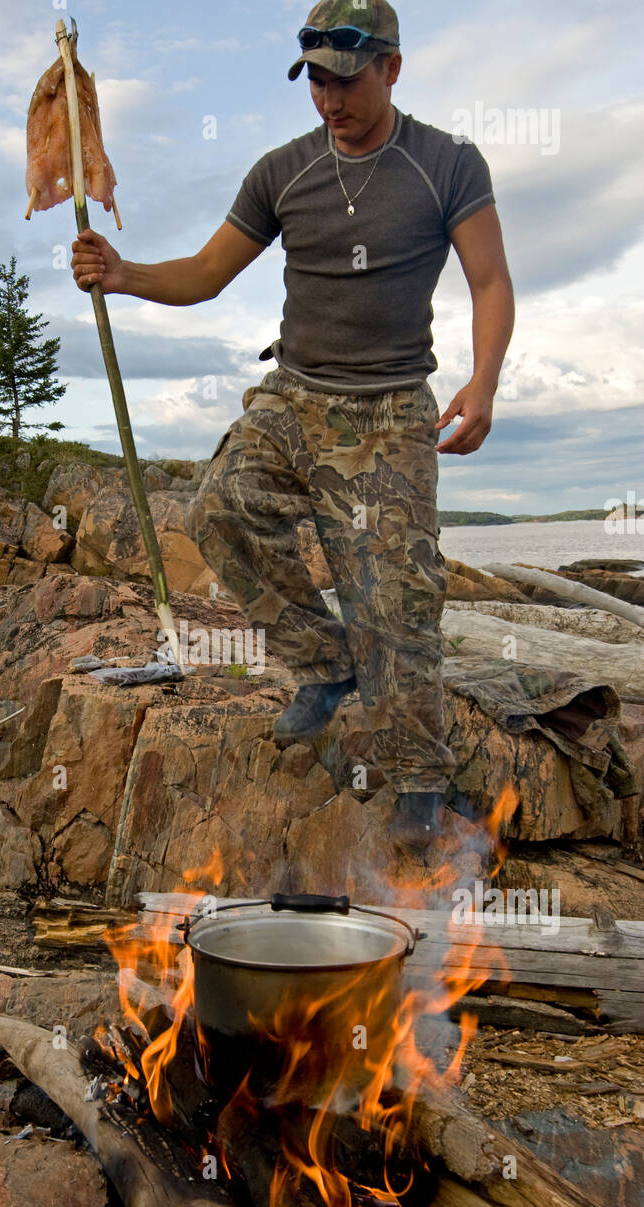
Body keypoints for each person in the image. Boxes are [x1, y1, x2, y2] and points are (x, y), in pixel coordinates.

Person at [71, 0, 515, 851]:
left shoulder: (446, 165)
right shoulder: (282, 171)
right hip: (296, 391)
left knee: (397, 598)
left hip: (391, 409)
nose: (329, 98)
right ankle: (326, 660)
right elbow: (206, 273)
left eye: (345, 78)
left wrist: (484, 381)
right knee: (219, 508)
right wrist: (123, 273)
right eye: (315, 79)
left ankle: (419, 781)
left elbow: (490, 281)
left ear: (390, 66)